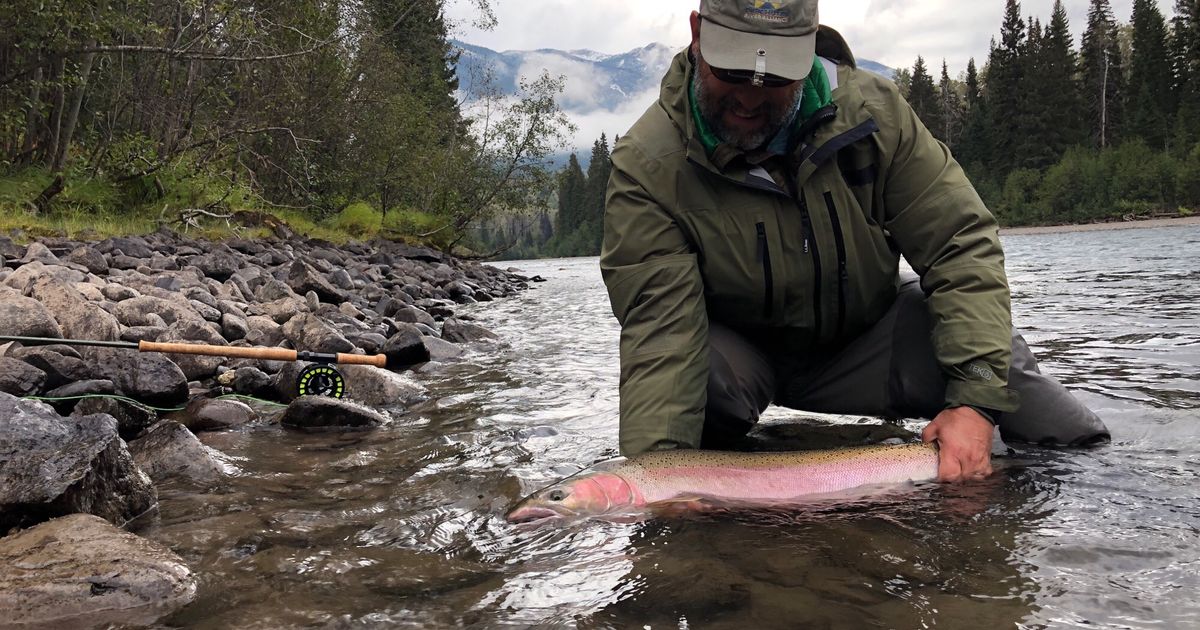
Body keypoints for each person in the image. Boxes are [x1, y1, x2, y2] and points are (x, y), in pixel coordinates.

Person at [600, 0, 1110, 482]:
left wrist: (974, 406)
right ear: (697, 36)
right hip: (739, 359)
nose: (751, 97)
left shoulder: (873, 115)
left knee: (1021, 393)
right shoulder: (648, 166)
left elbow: (959, 243)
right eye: (732, 72)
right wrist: (660, 480)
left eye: (775, 77)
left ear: (808, 51)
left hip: (871, 342)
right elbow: (661, 336)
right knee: (692, 389)